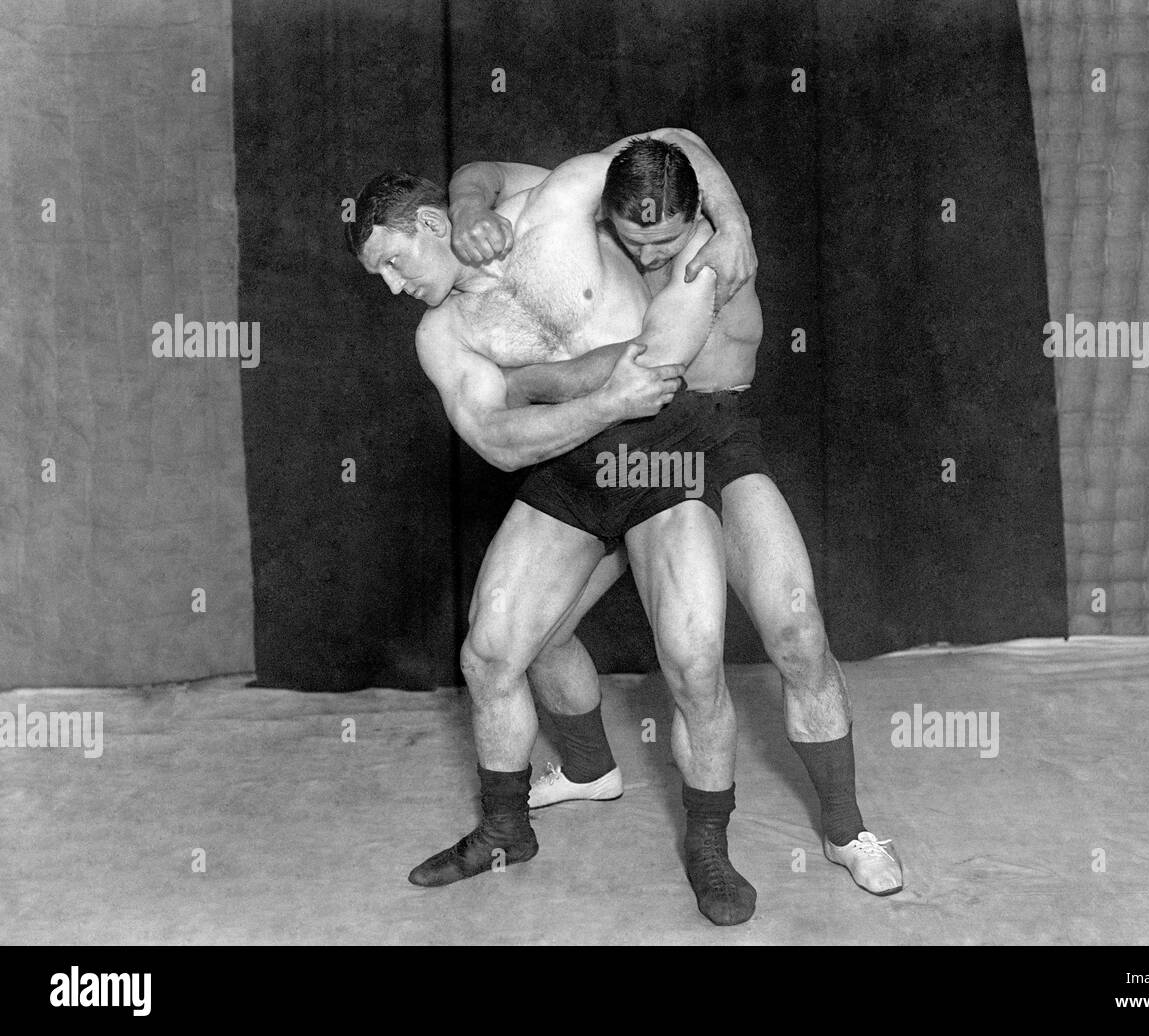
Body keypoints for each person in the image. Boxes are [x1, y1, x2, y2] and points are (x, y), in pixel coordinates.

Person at [448, 133, 904, 896]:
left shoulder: (710, 258)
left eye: (664, 239)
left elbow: (639, 367)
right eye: (633, 239)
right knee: (528, 636)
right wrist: (465, 208)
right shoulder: (605, 199)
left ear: (696, 209)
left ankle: (844, 827)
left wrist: (523, 381)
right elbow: (495, 176)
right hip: (606, 450)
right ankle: (590, 770)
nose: (650, 256)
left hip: (706, 440)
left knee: (794, 628)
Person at [347, 127, 763, 924]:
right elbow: (498, 442)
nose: (396, 287)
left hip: (663, 453)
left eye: (395, 263)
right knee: (491, 650)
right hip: (572, 465)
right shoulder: (446, 334)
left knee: (694, 662)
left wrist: (735, 222)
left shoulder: (561, 200)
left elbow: (666, 144)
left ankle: (709, 845)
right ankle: (506, 828)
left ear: (433, 226)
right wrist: (602, 401)